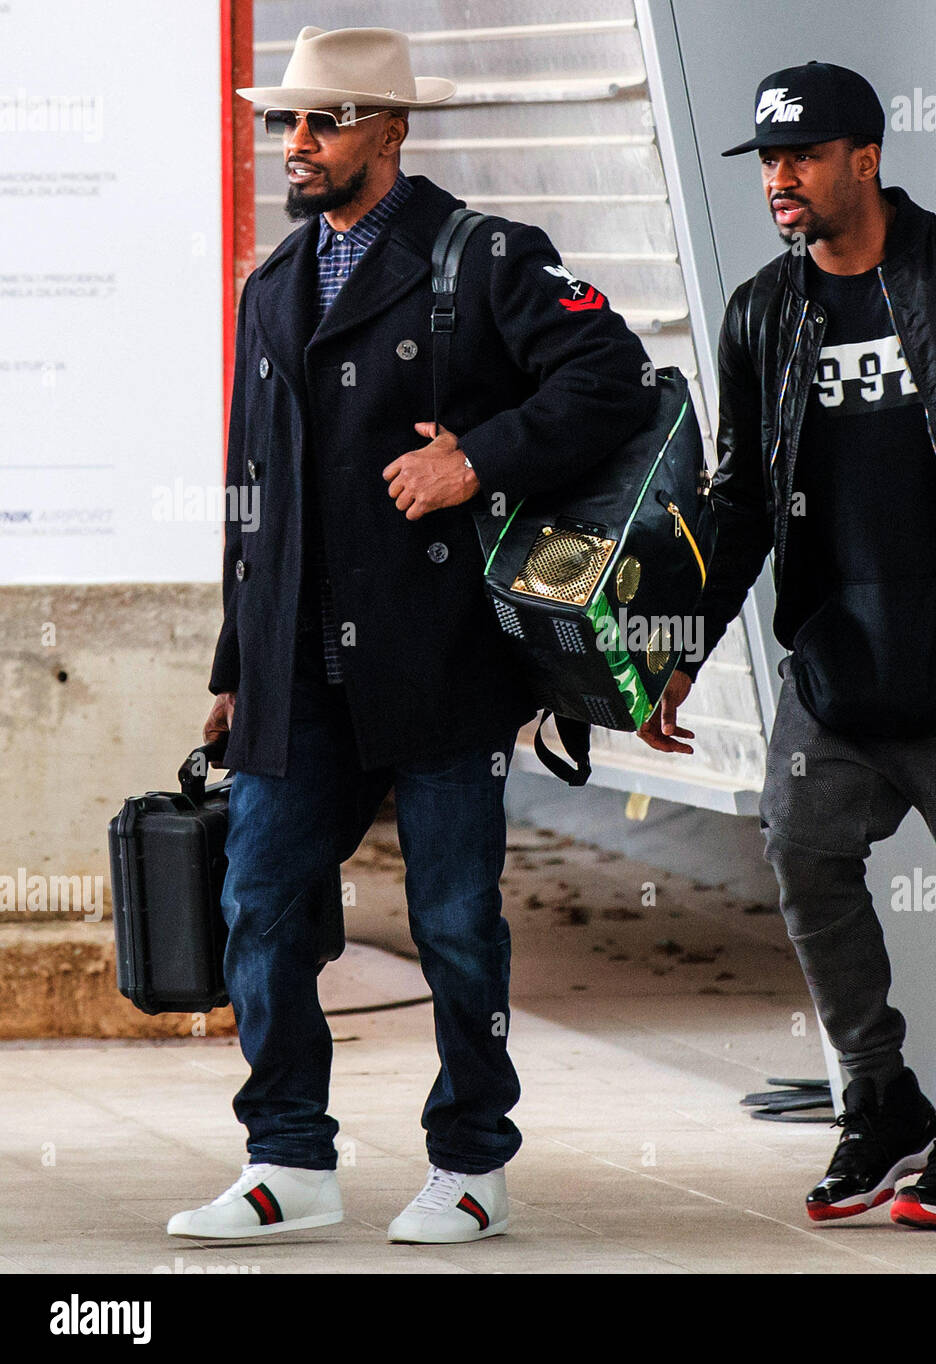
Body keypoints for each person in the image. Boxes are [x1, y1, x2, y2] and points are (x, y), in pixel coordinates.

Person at [169, 25, 655, 1245]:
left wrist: (474, 459)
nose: (299, 143)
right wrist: (234, 667)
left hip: (439, 655)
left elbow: (612, 376)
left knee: (451, 919)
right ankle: (288, 1159)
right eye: (290, 122)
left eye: (325, 120)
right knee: (262, 907)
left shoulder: (483, 256)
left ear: (391, 128)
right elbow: (254, 495)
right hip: (293, 667)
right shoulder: (272, 283)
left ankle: (472, 1160)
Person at [639, 61, 936, 1230]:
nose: (780, 180)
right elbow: (740, 501)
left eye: (801, 157)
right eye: (766, 161)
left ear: (867, 157)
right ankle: (880, 1097)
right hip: (837, 664)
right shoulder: (763, 313)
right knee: (800, 853)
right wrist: (682, 645)